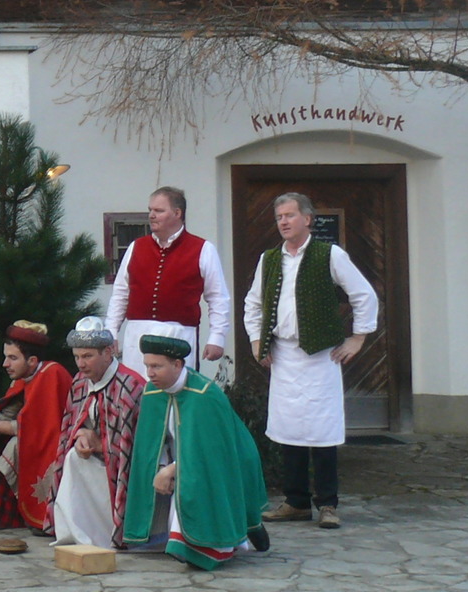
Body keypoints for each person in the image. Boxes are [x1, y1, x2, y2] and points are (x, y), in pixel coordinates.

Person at [242, 192, 379, 531]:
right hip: (284, 356)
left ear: (307, 219)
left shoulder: (329, 254)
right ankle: (296, 502)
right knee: (289, 429)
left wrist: (358, 338)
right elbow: (253, 303)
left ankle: (328, 504)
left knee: (322, 430)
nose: (284, 222)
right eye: (279, 217)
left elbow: (364, 295)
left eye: (289, 215)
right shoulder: (270, 259)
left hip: (320, 356)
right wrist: (259, 341)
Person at [122, 334, 271, 569]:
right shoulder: (152, 393)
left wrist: (173, 469)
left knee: (191, 480)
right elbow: (150, 447)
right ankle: (168, 536)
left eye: (156, 366)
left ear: (178, 364)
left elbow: (213, 456)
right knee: (173, 478)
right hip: (180, 463)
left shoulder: (204, 395)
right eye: (147, 366)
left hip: (229, 461)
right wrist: (161, 467)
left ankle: (212, 542)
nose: (149, 373)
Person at [0, 320, 72, 531]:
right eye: (6, 357)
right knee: (5, 443)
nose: (5, 364)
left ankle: (44, 515)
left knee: (14, 445)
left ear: (32, 360)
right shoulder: (23, 379)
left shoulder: (50, 374)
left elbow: (27, 430)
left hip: (64, 448)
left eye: (12, 358)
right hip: (42, 446)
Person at [106, 187, 231, 375]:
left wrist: (217, 338)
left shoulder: (203, 249)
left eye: (159, 211)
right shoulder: (136, 247)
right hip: (137, 337)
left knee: (177, 396)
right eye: (150, 210)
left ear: (177, 213)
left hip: (178, 336)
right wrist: (111, 331)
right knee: (136, 393)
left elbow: (218, 298)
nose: (151, 215)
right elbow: (121, 293)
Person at [49, 316, 146, 548]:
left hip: (124, 469)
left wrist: (100, 443)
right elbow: (72, 425)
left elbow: (135, 447)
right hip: (93, 456)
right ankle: (76, 535)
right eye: (77, 357)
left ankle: (111, 534)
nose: (80, 364)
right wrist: (81, 435)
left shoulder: (130, 386)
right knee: (72, 458)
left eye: (87, 356)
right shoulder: (79, 383)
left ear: (108, 352)